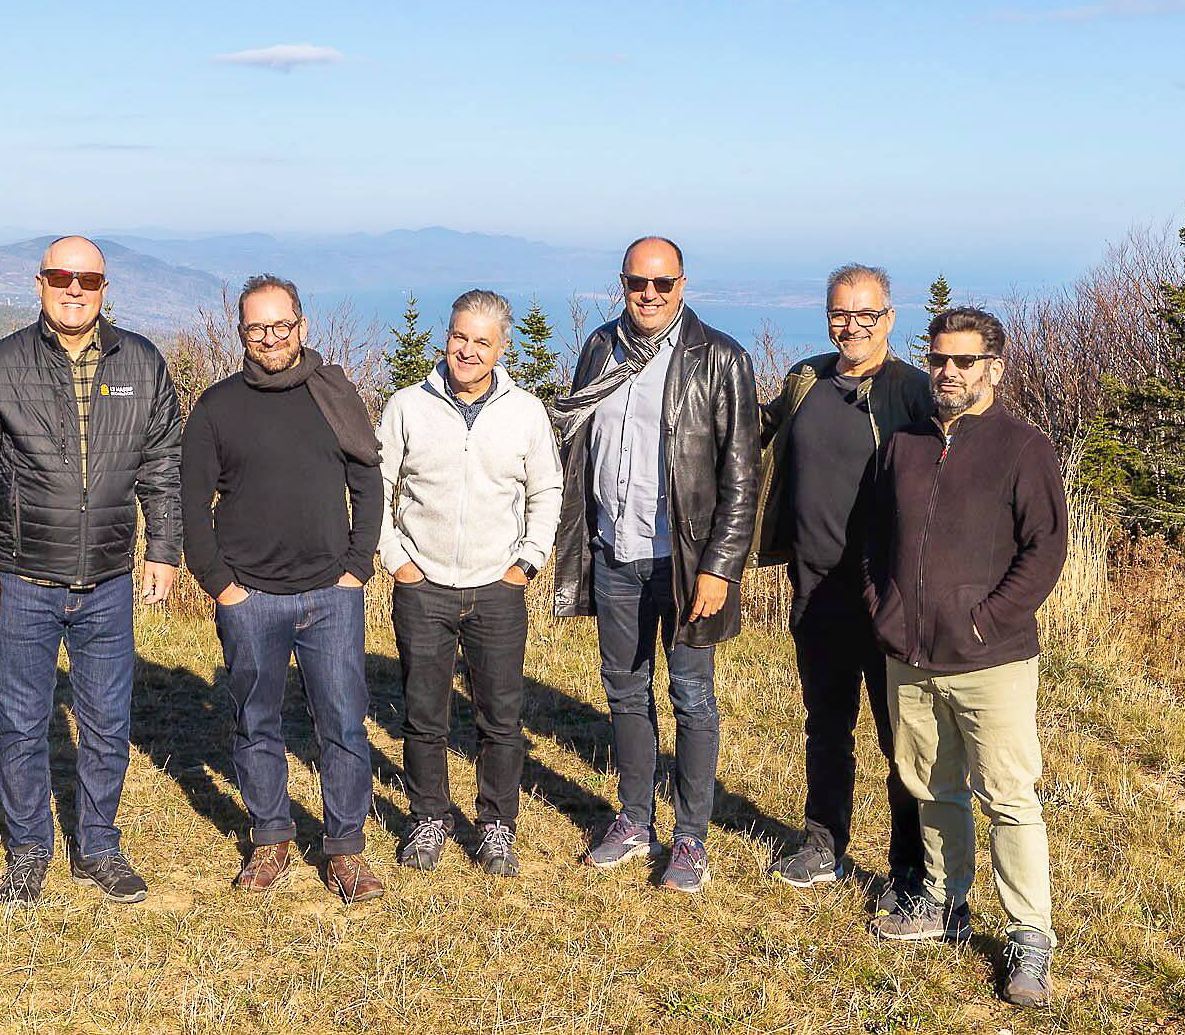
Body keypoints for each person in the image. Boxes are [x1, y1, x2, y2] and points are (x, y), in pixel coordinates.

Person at [0, 235, 182, 905]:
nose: (74, 288)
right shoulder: (1, 364)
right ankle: (28, 849)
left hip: (108, 580)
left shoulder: (140, 360)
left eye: (88, 278)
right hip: (21, 577)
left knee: (108, 720)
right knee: (22, 722)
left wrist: (163, 547)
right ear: (39, 283)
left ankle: (98, 846)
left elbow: (163, 461)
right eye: (61, 276)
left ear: (105, 288)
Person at [866, 307, 1067, 1009]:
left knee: (1010, 798)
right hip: (911, 655)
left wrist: (986, 622)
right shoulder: (905, 445)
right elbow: (874, 537)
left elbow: (1046, 548)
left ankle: (1028, 935)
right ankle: (946, 903)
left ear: (994, 367)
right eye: (938, 359)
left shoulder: (1023, 447)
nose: (946, 372)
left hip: (991, 661)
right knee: (930, 785)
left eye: (962, 361)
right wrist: (884, 608)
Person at [551, 236, 761, 892]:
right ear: (621, 282)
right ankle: (635, 818)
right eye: (637, 282)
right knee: (624, 688)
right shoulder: (600, 347)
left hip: (687, 562)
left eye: (662, 283)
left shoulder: (720, 358)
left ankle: (691, 836)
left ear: (683, 284)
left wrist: (721, 567)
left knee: (691, 693)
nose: (649, 294)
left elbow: (742, 474)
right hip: (616, 551)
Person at [181, 274, 387, 903]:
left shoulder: (334, 397)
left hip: (332, 592)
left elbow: (368, 480)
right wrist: (220, 584)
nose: (269, 338)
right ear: (240, 333)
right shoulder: (218, 407)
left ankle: (345, 850)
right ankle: (270, 838)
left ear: (301, 325)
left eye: (280, 325)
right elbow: (191, 502)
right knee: (255, 719)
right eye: (256, 328)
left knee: (345, 721)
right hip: (251, 596)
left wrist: (357, 567)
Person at [753, 265, 932, 910]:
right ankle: (822, 839)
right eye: (839, 315)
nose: (851, 327)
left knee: (900, 736)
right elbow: (753, 439)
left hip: (885, 595)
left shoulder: (913, 392)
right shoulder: (807, 380)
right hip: (815, 585)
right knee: (826, 722)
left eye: (865, 315)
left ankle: (909, 868)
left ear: (889, 319)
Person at [378, 289, 563, 877]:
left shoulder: (526, 412)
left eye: (483, 342)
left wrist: (525, 564)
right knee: (423, 711)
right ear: (446, 336)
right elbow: (376, 485)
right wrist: (396, 561)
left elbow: (547, 491)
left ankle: (495, 825)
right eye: (461, 337)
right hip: (422, 582)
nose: (469, 350)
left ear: (501, 348)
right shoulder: (408, 405)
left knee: (500, 717)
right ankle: (429, 815)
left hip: (497, 587)